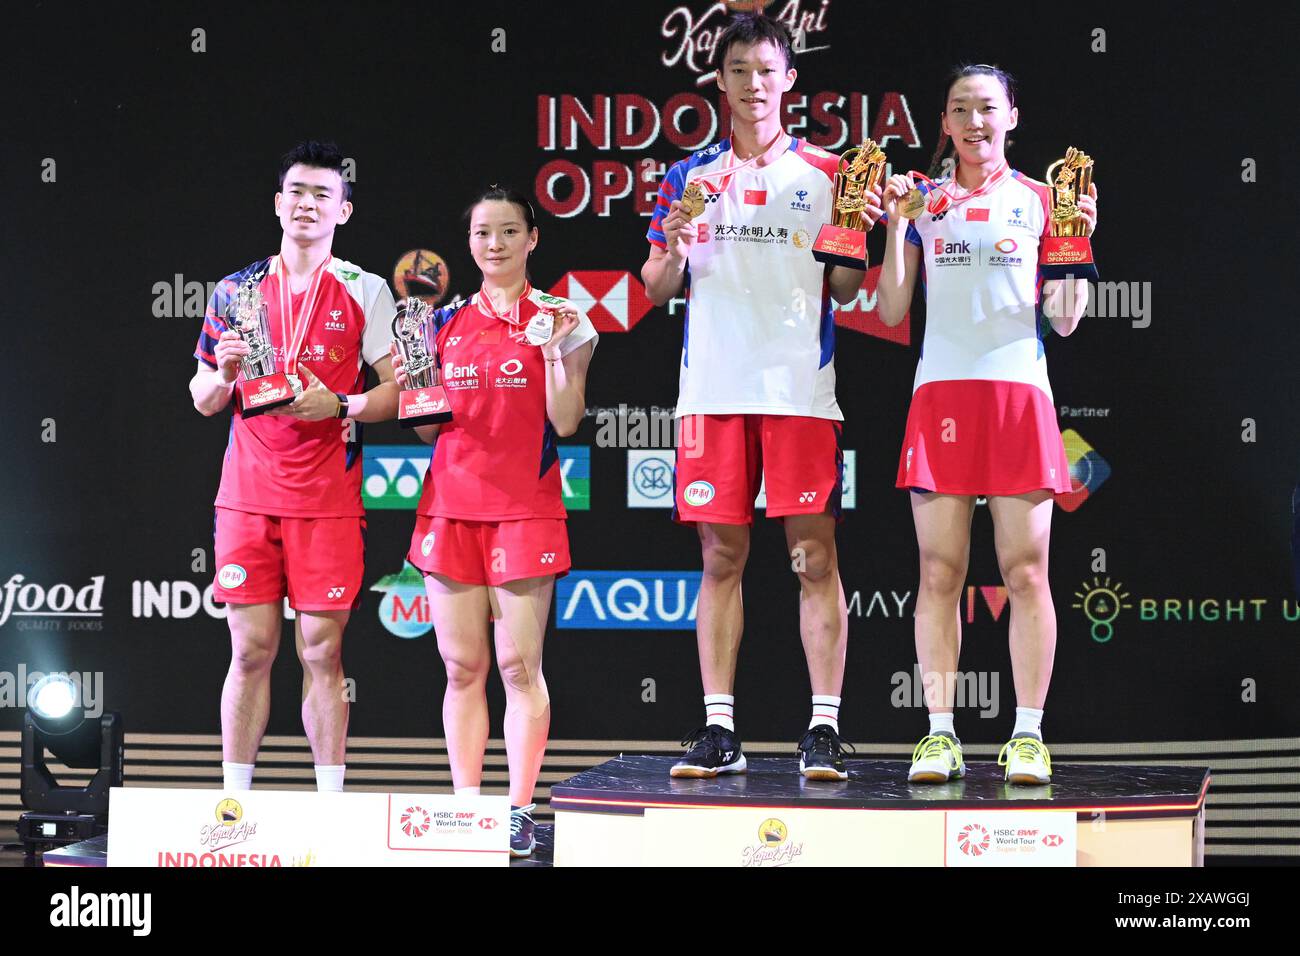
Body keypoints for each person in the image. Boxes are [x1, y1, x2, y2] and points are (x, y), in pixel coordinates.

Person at [641, 12, 881, 781]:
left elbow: (844, 286)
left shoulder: (829, 174)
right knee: (721, 558)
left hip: (797, 390)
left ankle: (823, 728)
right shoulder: (688, 178)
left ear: (789, 80)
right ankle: (719, 729)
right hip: (711, 389)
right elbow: (654, 288)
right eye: (739, 70)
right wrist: (674, 248)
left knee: (813, 558)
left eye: (767, 71)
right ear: (720, 81)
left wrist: (858, 237)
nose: (754, 85)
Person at [875, 65, 1099, 785]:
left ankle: (1027, 735)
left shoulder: (1041, 201)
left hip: (1018, 398)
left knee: (1025, 572)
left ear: (1012, 117)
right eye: (960, 109)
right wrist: (896, 229)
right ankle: (940, 735)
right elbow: (887, 311)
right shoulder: (924, 200)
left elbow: (1064, 321)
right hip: (940, 396)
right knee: (939, 572)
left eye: (988, 109)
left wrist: (1078, 240)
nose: (975, 122)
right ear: (944, 122)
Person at [392, 186, 597, 857]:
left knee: (518, 667)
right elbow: (427, 430)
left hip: (525, 511)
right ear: (470, 243)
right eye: (483, 233)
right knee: (461, 667)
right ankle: (468, 810)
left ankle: (517, 809)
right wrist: (416, 376)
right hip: (449, 509)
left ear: (532, 239)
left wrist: (549, 353)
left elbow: (566, 420)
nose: (495, 245)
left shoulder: (568, 318)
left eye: (509, 232)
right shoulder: (443, 324)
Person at [190, 140, 399, 793]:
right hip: (247, 496)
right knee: (250, 652)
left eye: (322, 195)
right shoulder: (235, 290)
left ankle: (330, 806)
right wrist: (222, 376)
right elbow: (202, 398)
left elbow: (401, 392)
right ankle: (234, 803)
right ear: (278, 204)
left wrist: (341, 402)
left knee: (322, 652)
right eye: (297, 193)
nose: (308, 205)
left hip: (327, 498)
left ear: (344, 210)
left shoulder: (366, 290)